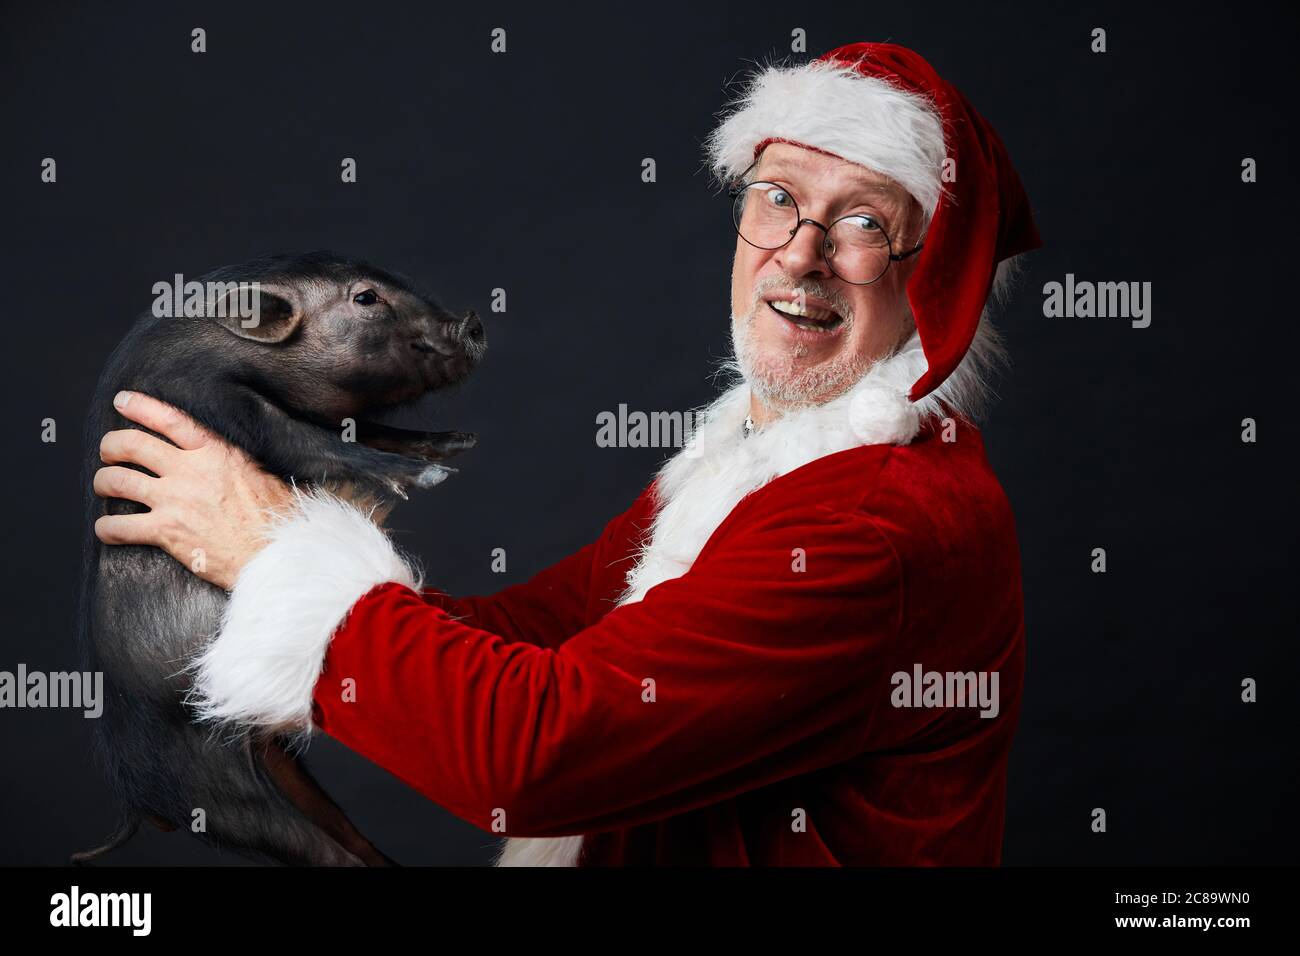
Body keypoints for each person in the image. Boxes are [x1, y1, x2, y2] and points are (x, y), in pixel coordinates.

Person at [93, 41, 1042, 866]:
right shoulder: (757, 462)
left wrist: (268, 550)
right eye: (778, 198)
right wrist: (226, 563)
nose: (800, 254)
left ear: (934, 285)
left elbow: (536, 750)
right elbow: (526, 637)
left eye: (865, 224)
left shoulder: (869, 523)